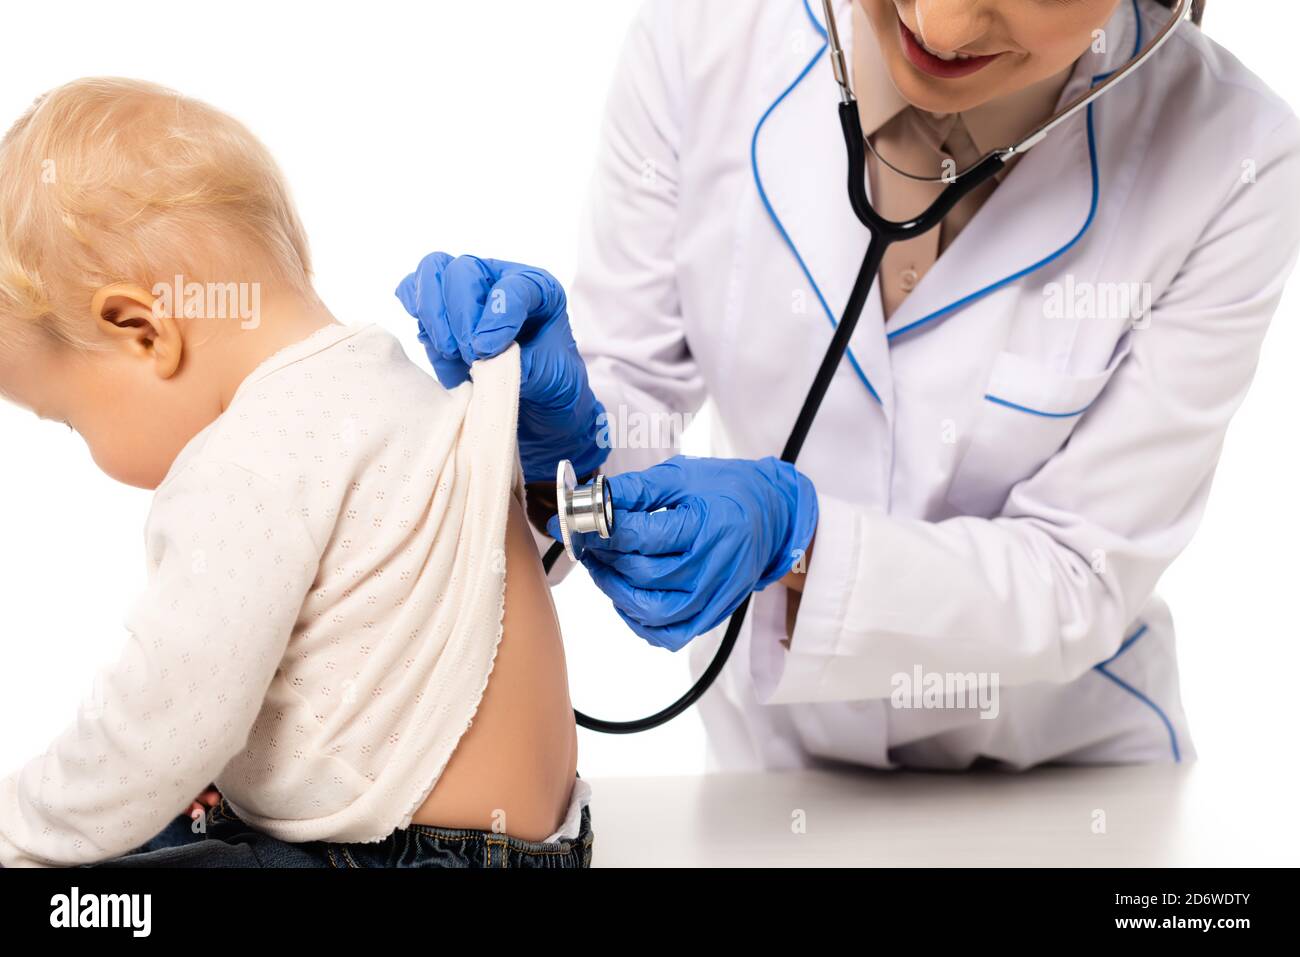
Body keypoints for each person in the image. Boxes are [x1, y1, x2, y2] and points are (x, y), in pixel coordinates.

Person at [398, 0, 1300, 773]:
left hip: (1070, 781)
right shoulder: (708, 31)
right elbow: (629, 383)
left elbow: (1079, 569)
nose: (939, 22)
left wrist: (802, 544)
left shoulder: (1237, 157)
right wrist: (549, 450)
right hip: (776, 778)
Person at [0, 78, 591, 868]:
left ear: (142, 330)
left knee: (86, 900)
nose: (91, 451)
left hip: (399, 857)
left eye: (71, 420)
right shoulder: (387, 378)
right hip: (536, 846)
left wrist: (18, 829)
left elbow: (163, 722)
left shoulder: (246, 455)